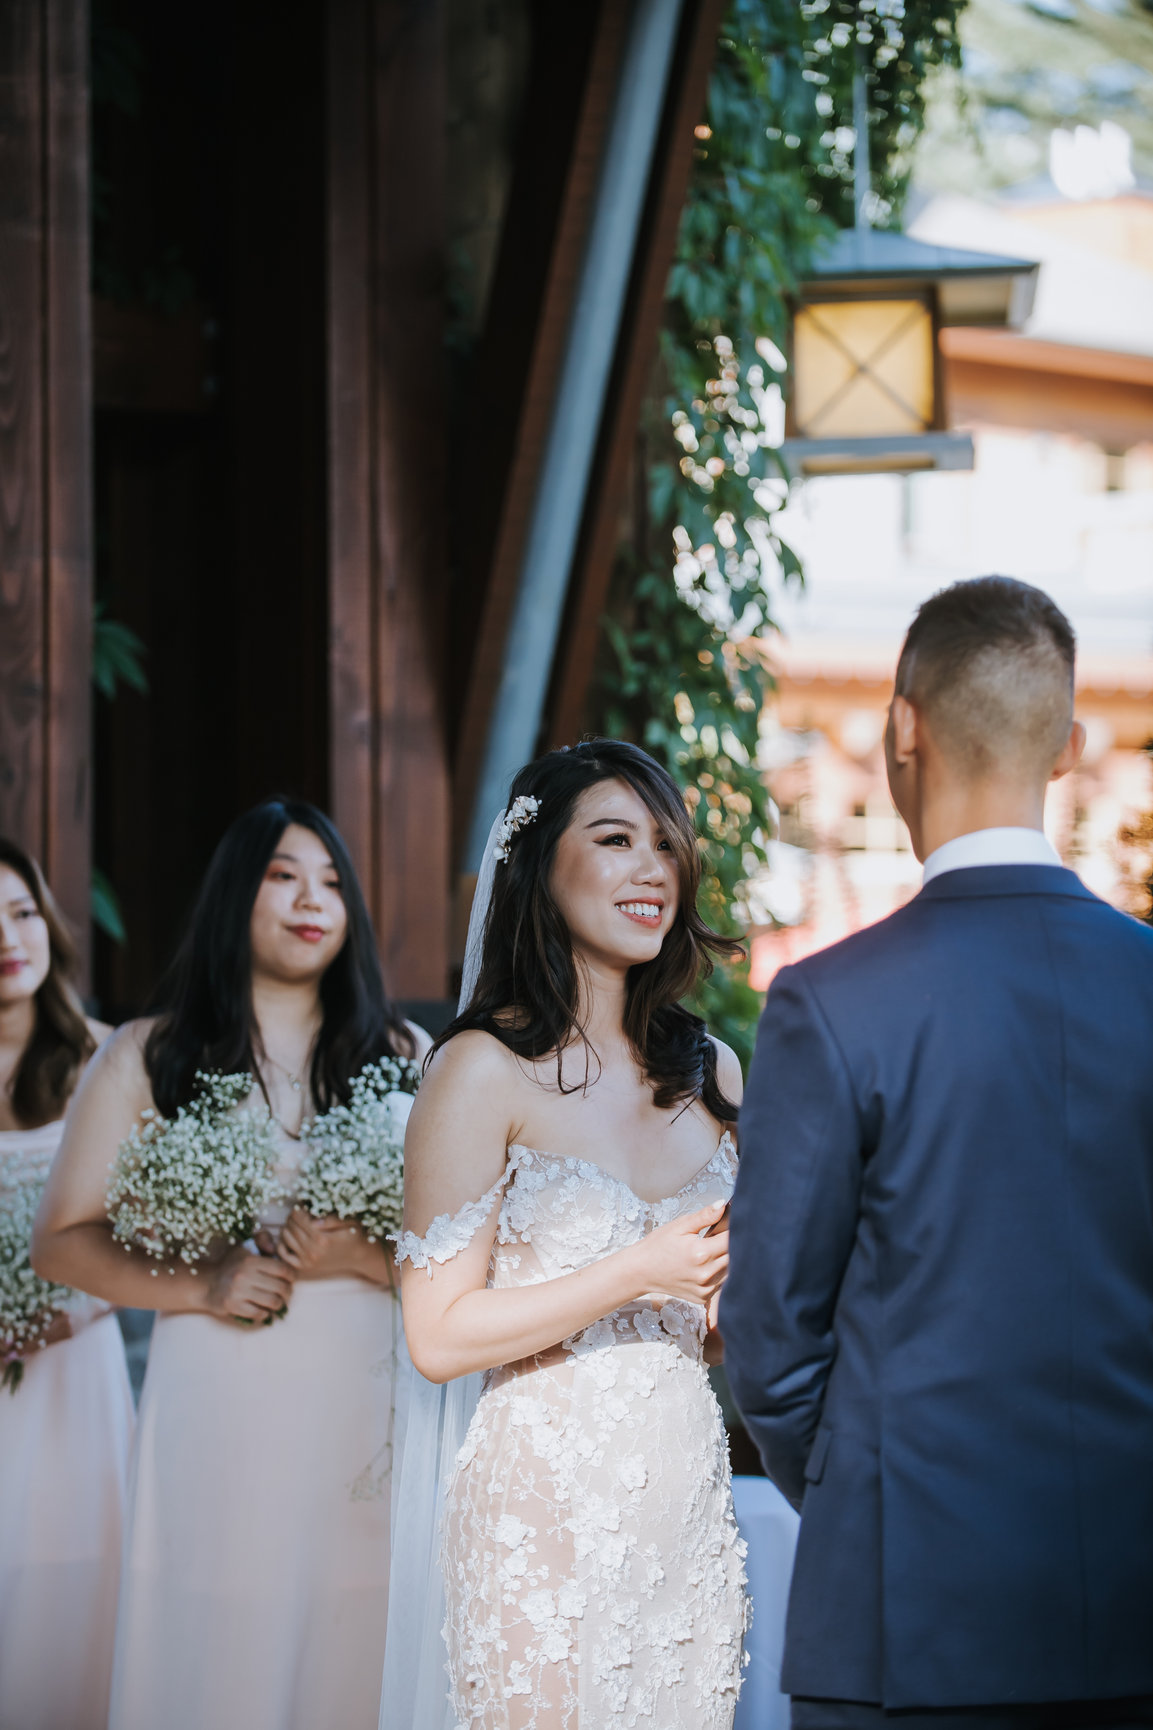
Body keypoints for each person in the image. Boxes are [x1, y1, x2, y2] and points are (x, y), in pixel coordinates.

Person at [721, 576, 1153, 1730]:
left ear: (899, 729)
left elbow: (768, 1336)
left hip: (903, 1625)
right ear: (1067, 748)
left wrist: (870, 1491)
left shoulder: (830, 1001)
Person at [33, 798, 429, 1730]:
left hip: (366, 1395)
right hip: (221, 1384)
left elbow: (461, 1250)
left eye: (332, 882)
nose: (311, 899)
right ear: (235, 895)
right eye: (284, 875)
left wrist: (361, 1254)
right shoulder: (151, 1053)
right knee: (221, 1637)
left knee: (359, 1628)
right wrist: (203, 1281)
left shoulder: (407, 1055)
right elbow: (62, 1237)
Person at [391, 738, 752, 1730]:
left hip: (684, 1497)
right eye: (613, 838)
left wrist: (727, 1306)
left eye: (665, 846)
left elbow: (716, 1319)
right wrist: (637, 1269)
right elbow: (437, 1335)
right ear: (539, 863)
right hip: (540, 1515)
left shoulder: (710, 1067)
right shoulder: (480, 1069)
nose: (650, 868)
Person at [0, 838, 131, 1730]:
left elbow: (155, 1229)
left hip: (71, 1374)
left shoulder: (105, 1061)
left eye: (20, 912)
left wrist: (48, 1318)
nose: (10, 937)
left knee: (72, 1592)